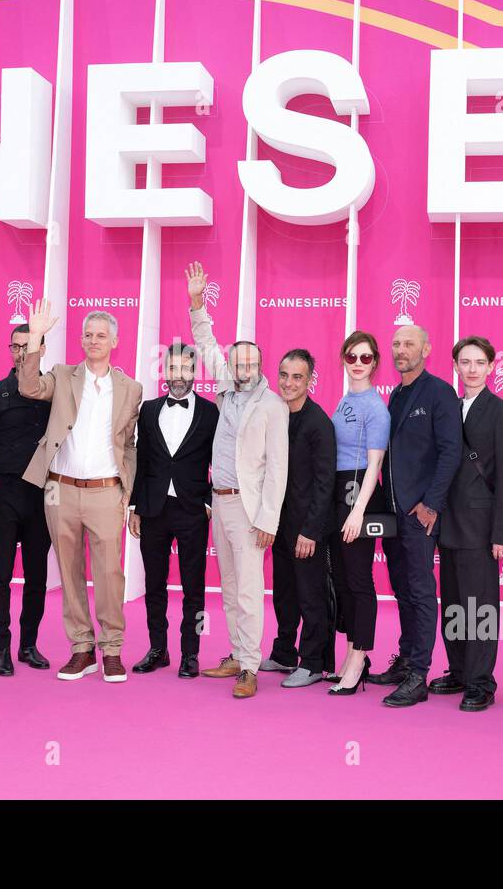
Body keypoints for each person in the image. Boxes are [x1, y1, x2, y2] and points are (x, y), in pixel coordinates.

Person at [18, 300, 142, 684]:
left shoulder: (130, 388)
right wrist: (35, 337)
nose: (93, 340)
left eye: (101, 335)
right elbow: (28, 385)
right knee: (69, 573)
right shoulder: (62, 375)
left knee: (109, 574)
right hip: (59, 490)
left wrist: (128, 491)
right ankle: (81, 649)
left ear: (115, 341)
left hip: (107, 492)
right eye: (88, 335)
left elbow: (130, 445)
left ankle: (112, 649)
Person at [186, 262, 288, 699]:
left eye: (250, 362)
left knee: (248, 590)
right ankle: (235, 653)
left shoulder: (273, 405)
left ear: (260, 366)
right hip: (220, 502)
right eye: (237, 361)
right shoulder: (226, 387)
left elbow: (278, 469)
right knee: (228, 586)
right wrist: (197, 303)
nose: (242, 367)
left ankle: (250, 666)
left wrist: (268, 519)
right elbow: (205, 342)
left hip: (250, 511)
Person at [371, 325, 461, 708]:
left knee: (422, 591)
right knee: (402, 588)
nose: (401, 349)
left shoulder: (440, 392)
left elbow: (450, 451)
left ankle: (418, 675)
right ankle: (406, 657)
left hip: (419, 512)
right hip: (392, 511)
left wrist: (431, 504)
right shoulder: (396, 395)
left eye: (409, 343)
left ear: (426, 348)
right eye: (396, 343)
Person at [432, 336, 503, 712]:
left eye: (478, 362)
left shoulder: (500, 412)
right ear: (455, 366)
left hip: (481, 525)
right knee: (452, 601)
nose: (471, 369)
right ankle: (459, 670)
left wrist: (502, 533)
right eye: (464, 362)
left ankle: (482, 682)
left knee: (480, 606)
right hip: (446, 521)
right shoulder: (447, 406)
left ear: (491, 367)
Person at [128, 342, 219, 679]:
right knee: (154, 584)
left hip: (192, 509)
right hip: (153, 509)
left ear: (195, 373)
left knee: (194, 588)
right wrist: (135, 504)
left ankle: (191, 653)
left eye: (185, 369)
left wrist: (209, 502)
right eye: (173, 368)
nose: (178, 376)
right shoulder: (149, 409)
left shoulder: (211, 412)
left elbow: (219, 461)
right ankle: (157, 649)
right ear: (164, 371)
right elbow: (141, 460)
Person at [0, 325, 53, 676]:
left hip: (44, 496)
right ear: (9, 349)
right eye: (16, 346)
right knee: (0, 575)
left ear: (41, 348)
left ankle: (28, 644)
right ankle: (1, 645)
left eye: (28, 346)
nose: (21, 352)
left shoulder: (53, 392)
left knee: (37, 576)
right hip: (4, 493)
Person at [263, 348, 336, 688]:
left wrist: (310, 530)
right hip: (278, 525)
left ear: (309, 380)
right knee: (284, 593)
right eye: (284, 375)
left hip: (307, 528)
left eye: (297, 377)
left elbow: (325, 483)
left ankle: (312, 662)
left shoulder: (318, 422)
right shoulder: (275, 415)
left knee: (310, 595)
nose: (288, 383)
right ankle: (283, 653)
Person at [325, 332, 390, 697]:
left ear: (375, 363)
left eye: (366, 358)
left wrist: (358, 512)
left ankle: (360, 655)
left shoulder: (375, 408)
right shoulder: (347, 399)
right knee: (344, 580)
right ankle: (352, 652)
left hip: (359, 498)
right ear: (343, 359)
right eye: (352, 356)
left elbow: (374, 464)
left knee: (360, 581)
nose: (358, 363)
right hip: (340, 495)